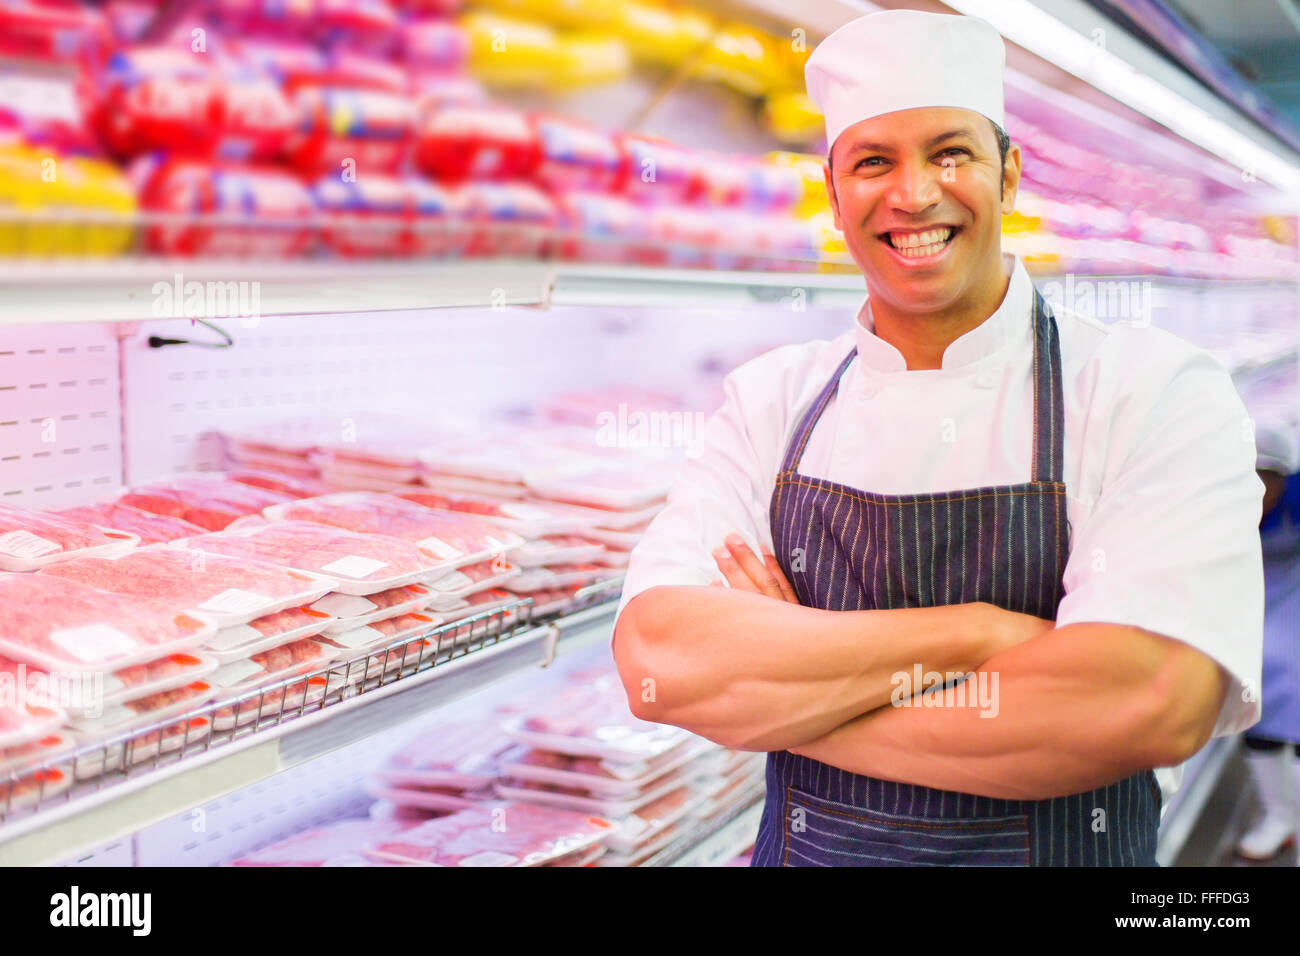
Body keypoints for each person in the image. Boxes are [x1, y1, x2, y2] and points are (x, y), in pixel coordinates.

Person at [611, 9, 1265, 867]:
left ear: (1011, 175)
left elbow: (1147, 700)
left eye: (950, 152)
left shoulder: (1152, 389)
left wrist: (791, 702)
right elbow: (662, 661)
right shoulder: (769, 401)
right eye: (873, 161)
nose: (913, 194)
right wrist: (984, 634)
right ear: (835, 192)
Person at [1237, 418, 1300, 862]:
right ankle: (1279, 816)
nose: (1258, 493)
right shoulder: (1219, 505)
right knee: (1256, 712)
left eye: (1266, 481)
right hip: (1252, 609)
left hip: (1294, 604)